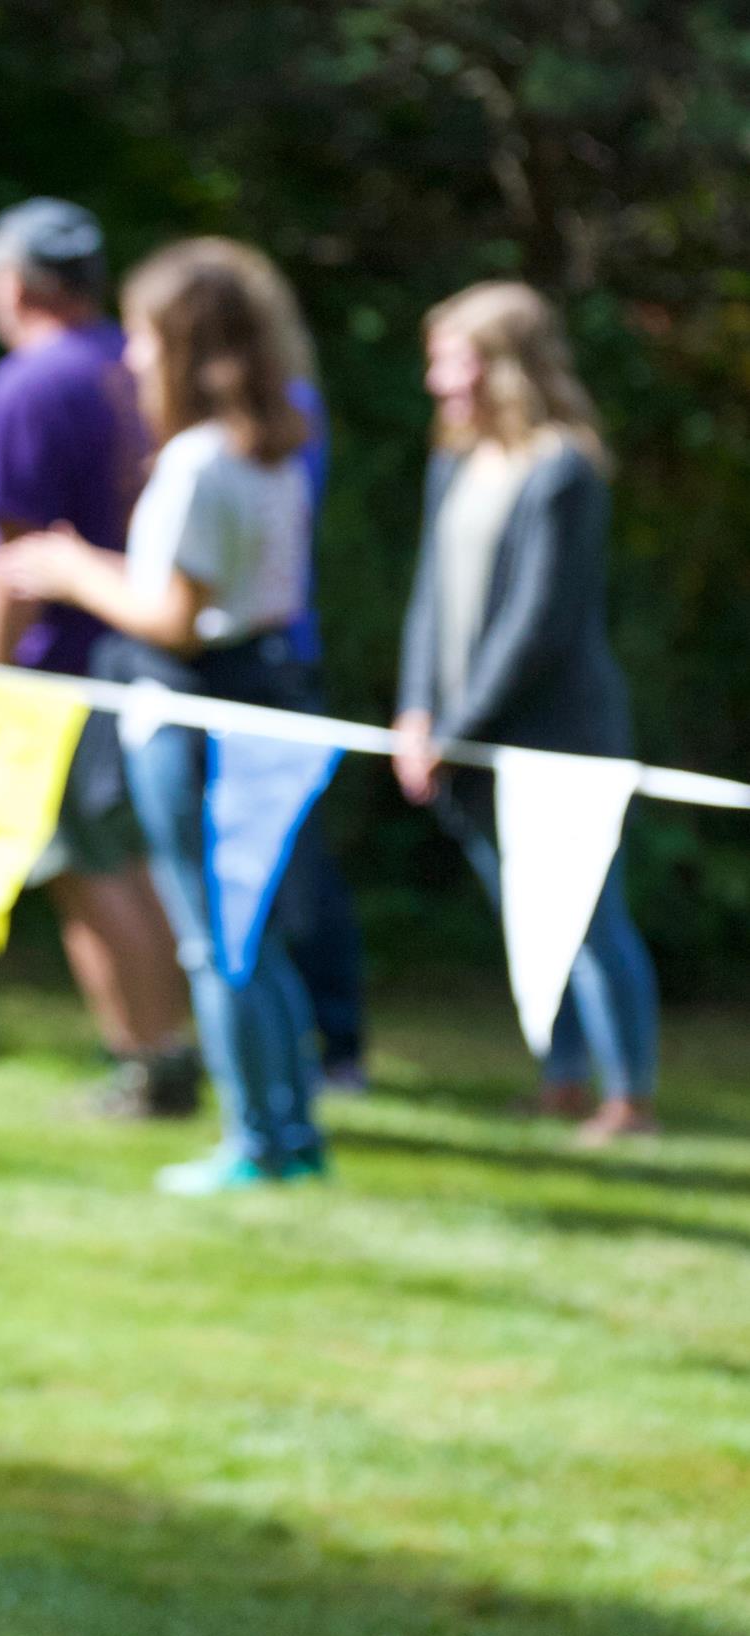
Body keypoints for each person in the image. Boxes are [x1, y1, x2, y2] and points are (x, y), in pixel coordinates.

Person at [0, 240, 328, 1193]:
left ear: (182, 344)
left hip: (195, 714)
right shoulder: (271, 452)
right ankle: (290, 1131)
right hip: (265, 697)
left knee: (213, 934)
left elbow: (174, 620)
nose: (132, 359)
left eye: (144, 337)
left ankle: (260, 1141)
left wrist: (69, 568)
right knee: (249, 928)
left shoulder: (193, 461)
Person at [394, 281, 659, 1145]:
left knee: (586, 914)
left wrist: (455, 731)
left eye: (454, 359)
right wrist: (416, 712)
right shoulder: (457, 459)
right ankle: (564, 1079)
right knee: (527, 914)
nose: (439, 381)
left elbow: (535, 624)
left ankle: (631, 1098)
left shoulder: (565, 466)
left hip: (558, 740)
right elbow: (432, 601)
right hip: (465, 739)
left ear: (505, 364)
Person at [0, 198, 197, 1119]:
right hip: (130, 659)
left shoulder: (30, 382)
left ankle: (157, 1060)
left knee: (89, 864)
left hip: (55, 673)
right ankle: (144, 1052)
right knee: (110, 859)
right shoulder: (127, 364)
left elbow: (13, 557)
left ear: (17, 285)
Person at [200, 240, 372, 1092]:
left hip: (269, 665)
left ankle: (337, 1045)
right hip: (229, 664)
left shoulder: (282, 415)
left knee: (294, 868)